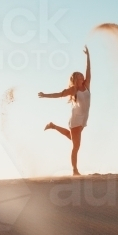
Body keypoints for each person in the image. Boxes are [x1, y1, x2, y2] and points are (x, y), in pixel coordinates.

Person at [39, 46, 91, 176]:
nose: (82, 76)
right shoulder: (73, 90)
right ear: (75, 79)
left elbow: (89, 71)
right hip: (76, 118)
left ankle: (53, 126)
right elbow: (58, 94)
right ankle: (75, 170)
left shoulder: (86, 85)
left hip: (84, 117)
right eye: (79, 75)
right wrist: (45, 95)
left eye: (82, 75)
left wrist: (88, 57)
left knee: (72, 138)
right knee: (76, 145)